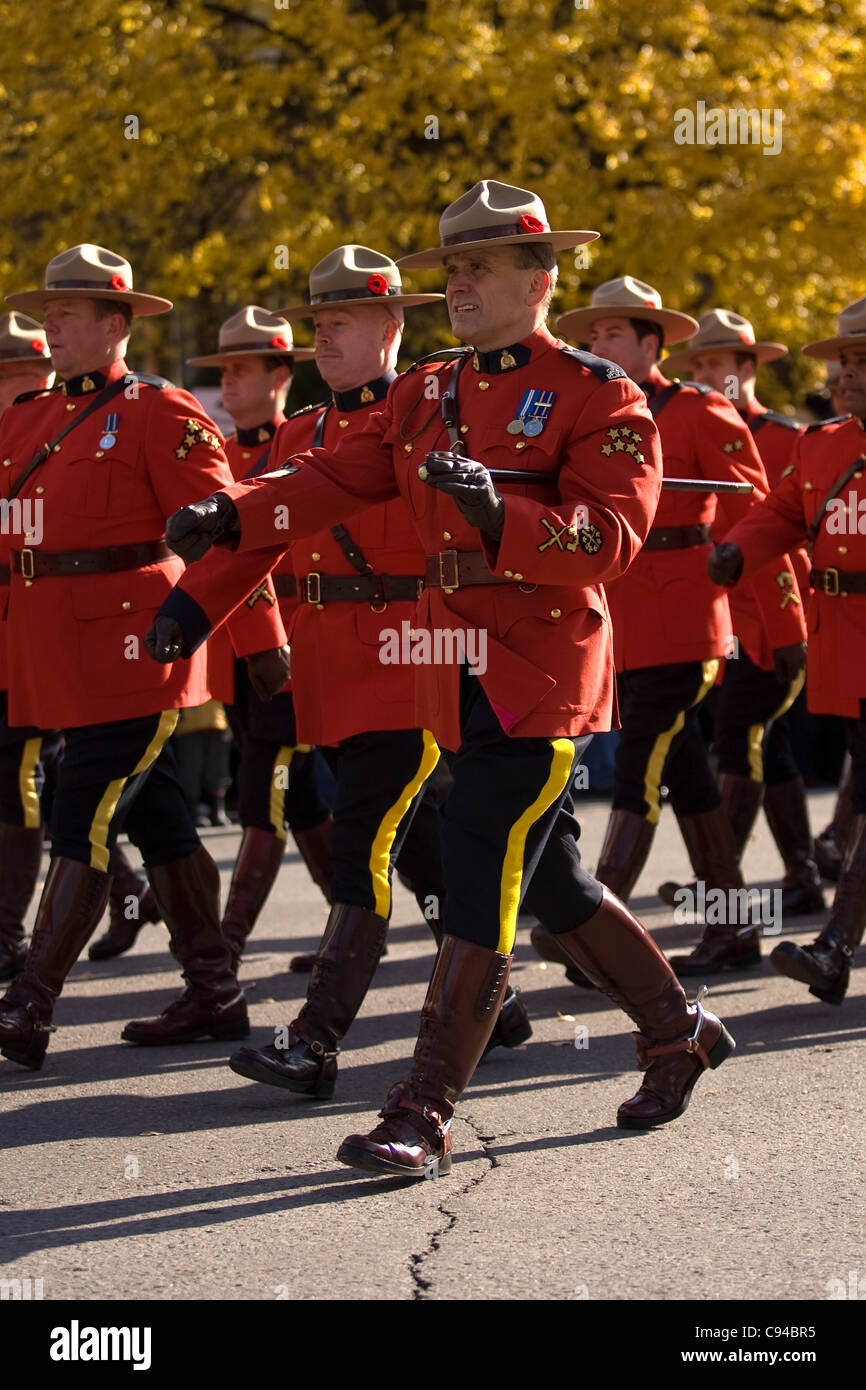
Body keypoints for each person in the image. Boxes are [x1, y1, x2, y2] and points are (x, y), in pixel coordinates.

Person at [149, 181, 735, 1180]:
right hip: (445, 664)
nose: (458, 283)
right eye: (449, 266)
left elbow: (610, 540)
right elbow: (334, 477)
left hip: (536, 671)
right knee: (552, 879)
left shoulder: (601, 391)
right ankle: (676, 1027)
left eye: (479, 265)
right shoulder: (427, 390)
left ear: (537, 277)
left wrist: (501, 518)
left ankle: (421, 1107)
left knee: (479, 867)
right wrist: (237, 517)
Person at [153, 246, 530, 1097]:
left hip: (410, 657)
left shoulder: (430, 414)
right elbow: (262, 533)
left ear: (392, 326)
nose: (323, 337)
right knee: (423, 853)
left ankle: (315, 1039)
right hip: (332, 669)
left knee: (363, 845)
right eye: (318, 323)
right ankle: (492, 1004)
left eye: (342, 322)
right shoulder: (297, 434)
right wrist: (190, 610)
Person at [0, 243, 288, 1069]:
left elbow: (231, 537)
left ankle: (29, 1005)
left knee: (78, 813)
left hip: (140, 647)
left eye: (68, 311)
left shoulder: (163, 412)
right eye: (48, 309)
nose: (49, 323)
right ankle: (215, 989)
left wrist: (262, 644)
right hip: (54, 647)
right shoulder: (27, 416)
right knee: (159, 818)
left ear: (115, 323)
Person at [549, 278, 806, 977]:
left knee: (638, 767)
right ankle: (734, 929)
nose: (595, 344)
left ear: (650, 343)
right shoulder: (593, 412)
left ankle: (590, 926)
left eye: (611, 335)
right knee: (691, 781)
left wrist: (782, 625)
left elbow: (761, 521)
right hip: (627, 621)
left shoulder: (700, 410)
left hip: (690, 620)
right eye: (592, 334)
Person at [708, 294, 866, 1005]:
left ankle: (834, 945)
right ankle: (813, 898)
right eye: (843, 363)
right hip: (848, 638)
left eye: (862, 363)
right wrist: (738, 550)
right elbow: (782, 512)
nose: (846, 377)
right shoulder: (824, 443)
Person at [0, 309, 160, 974]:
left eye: (16, 374)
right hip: (25, 622)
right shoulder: (24, 427)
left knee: (26, 772)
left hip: (75, 632)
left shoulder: (124, 413)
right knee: (99, 790)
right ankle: (130, 891)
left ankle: (11, 937)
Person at [656, 309, 822, 915]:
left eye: (716, 363)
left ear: (748, 368)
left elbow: (796, 537)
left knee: (737, 738)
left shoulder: (791, 439)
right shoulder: (681, 423)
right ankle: (802, 873)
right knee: (765, 746)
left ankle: (716, 891)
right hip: (720, 616)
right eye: (697, 364)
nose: (705, 373)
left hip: (776, 613)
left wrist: (793, 624)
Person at [181, 306, 333, 965]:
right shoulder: (215, 452)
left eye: (243, 368)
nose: (230, 381)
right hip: (235, 651)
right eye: (223, 370)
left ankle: (225, 942)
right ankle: (355, 929)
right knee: (298, 798)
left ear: (280, 373)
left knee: (262, 792)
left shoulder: (304, 450)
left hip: (289, 644)